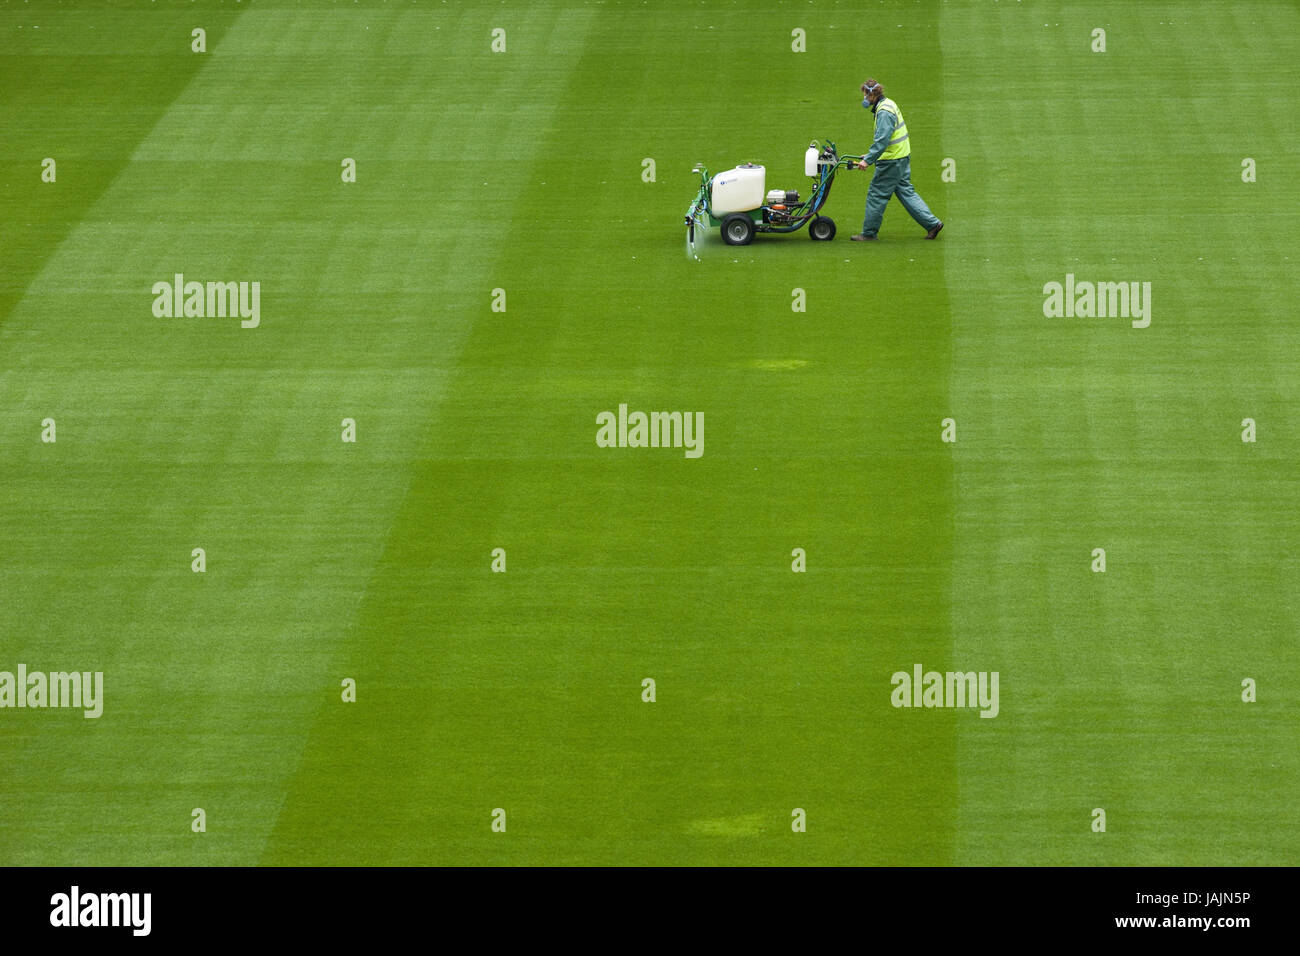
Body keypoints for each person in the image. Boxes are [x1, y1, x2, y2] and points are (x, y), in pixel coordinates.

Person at [851, 79, 943, 241]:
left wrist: (868, 160)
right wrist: (870, 154)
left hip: (891, 161)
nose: (864, 98)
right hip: (901, 156)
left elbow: (883, 140)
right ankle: (932, 224)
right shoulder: (888, 104)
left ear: (870, 94)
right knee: (906, 192)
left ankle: (869, 233)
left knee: (876, 195)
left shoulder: (884, 112)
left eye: (864, 95)